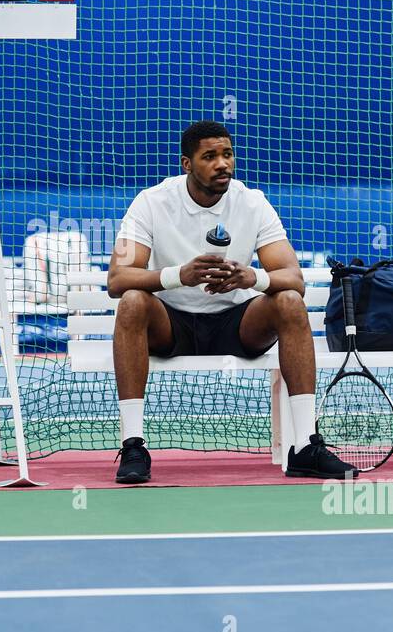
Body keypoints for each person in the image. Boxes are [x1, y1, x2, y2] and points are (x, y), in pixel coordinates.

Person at [106, 120, 359, 484]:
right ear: (187, 164)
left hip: (237, 325)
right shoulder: (151, 202)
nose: (222, 164)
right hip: (171, 324)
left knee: (287, 301)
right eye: (209, 156)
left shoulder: (252, 202)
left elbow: (293, 278)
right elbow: (118, 278)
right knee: (132, 301)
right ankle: (133, 447)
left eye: (227, 154)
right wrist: (181, 275)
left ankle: (305, 446)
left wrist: (251, 277)